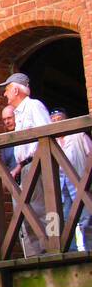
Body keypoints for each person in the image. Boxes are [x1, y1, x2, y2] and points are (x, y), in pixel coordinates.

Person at [3, 71, 52, 257]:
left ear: (16, 90)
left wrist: (40, 163)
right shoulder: (20, 112)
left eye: (7, 90)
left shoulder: (33, 106)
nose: (5, 94)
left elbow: (46, 135)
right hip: (26, 166)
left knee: (45, 210)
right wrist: (19, 166)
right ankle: (34, 255)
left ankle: (51, 248)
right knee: (28, 212)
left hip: (38, 164)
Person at [49, 108, 92, 252]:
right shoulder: (50, 142)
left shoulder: (79, 136)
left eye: (59, 119)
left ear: (66, 120)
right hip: (62, 185)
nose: (57, 123)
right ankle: (72, 251)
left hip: (81, 181)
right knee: (66, 219)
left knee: (86, 217)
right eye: (53, 121)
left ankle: (88, 248)